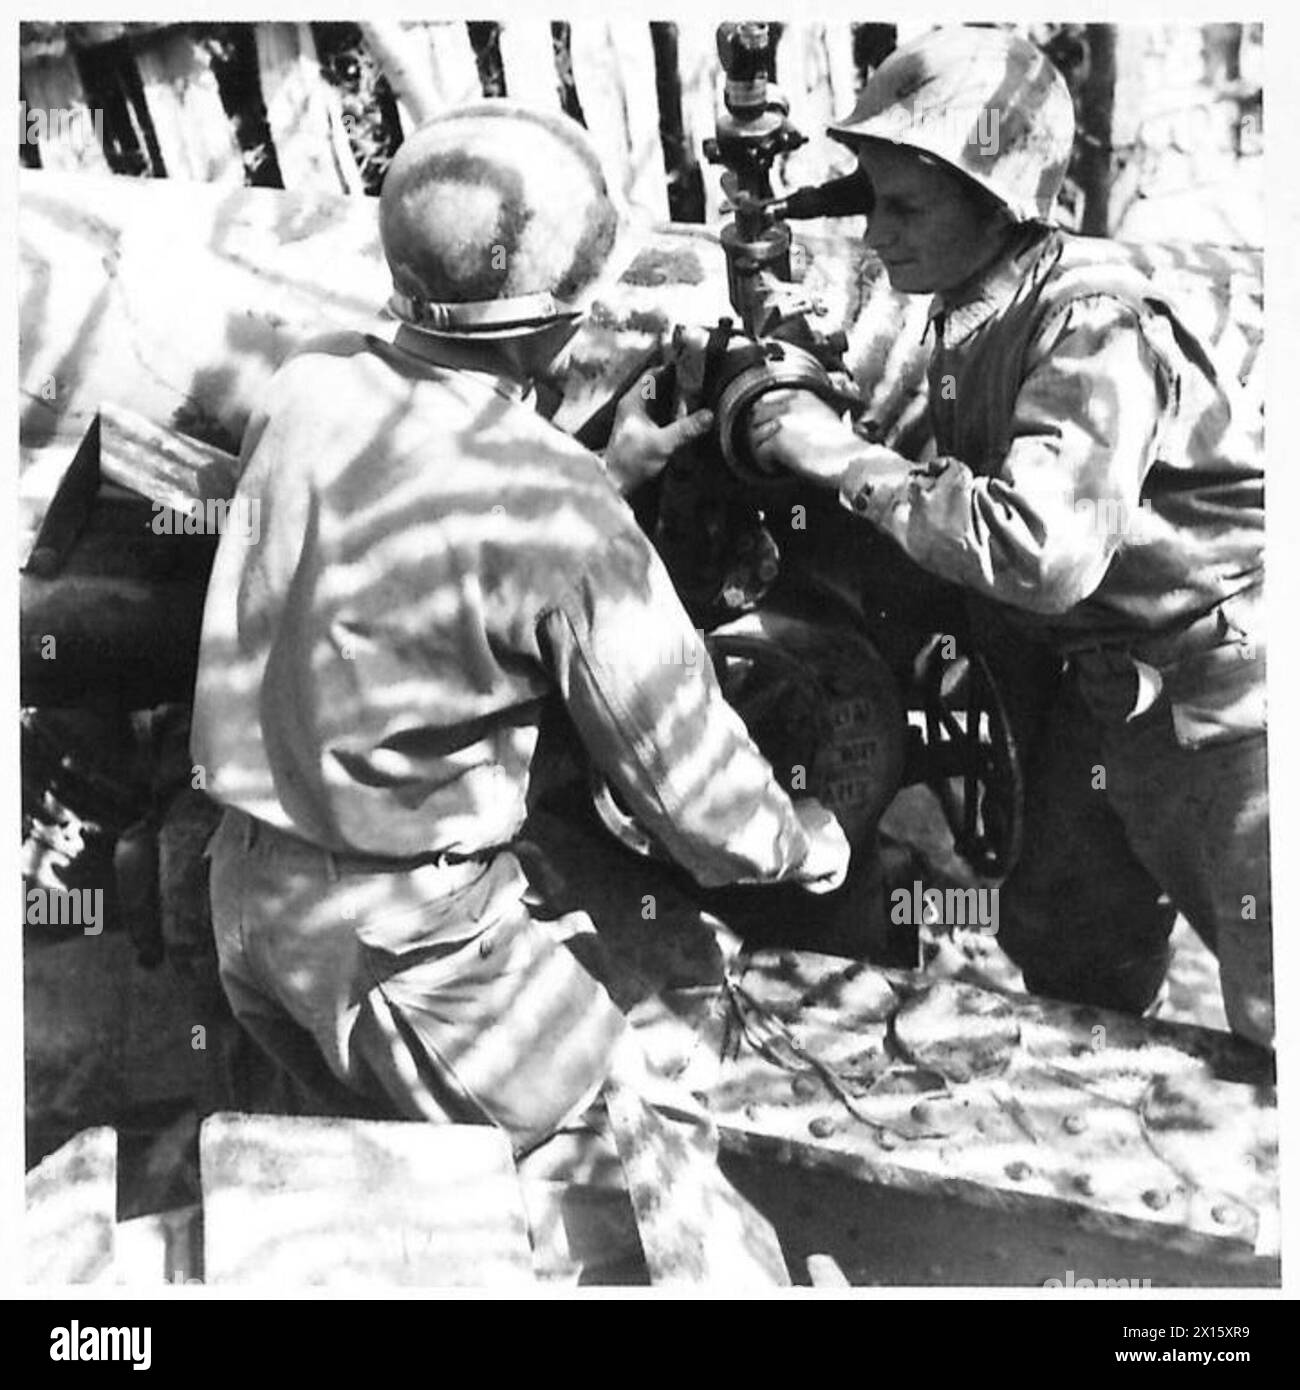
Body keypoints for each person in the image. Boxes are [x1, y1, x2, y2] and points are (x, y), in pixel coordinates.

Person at [190, 100, 848, 1192]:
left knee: (380, 1195)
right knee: (625, 1168)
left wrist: (600, 473)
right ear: (564, 317)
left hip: (250, 903)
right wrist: (802, 841)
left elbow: (404, 528)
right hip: (405, 949)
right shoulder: (558, 511)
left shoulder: (308, 382)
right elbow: (702, 806)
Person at [745, 26, 1271, 1048]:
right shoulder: (972, 305)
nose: (874, 235)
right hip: (1098, 688)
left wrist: (838, 461)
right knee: (1071, 957)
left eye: (905, 208)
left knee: (1272, 1008)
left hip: (1224, 703)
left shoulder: (1093, 325)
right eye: (871, 201)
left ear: (1001, 203)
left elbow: (1041, 551)